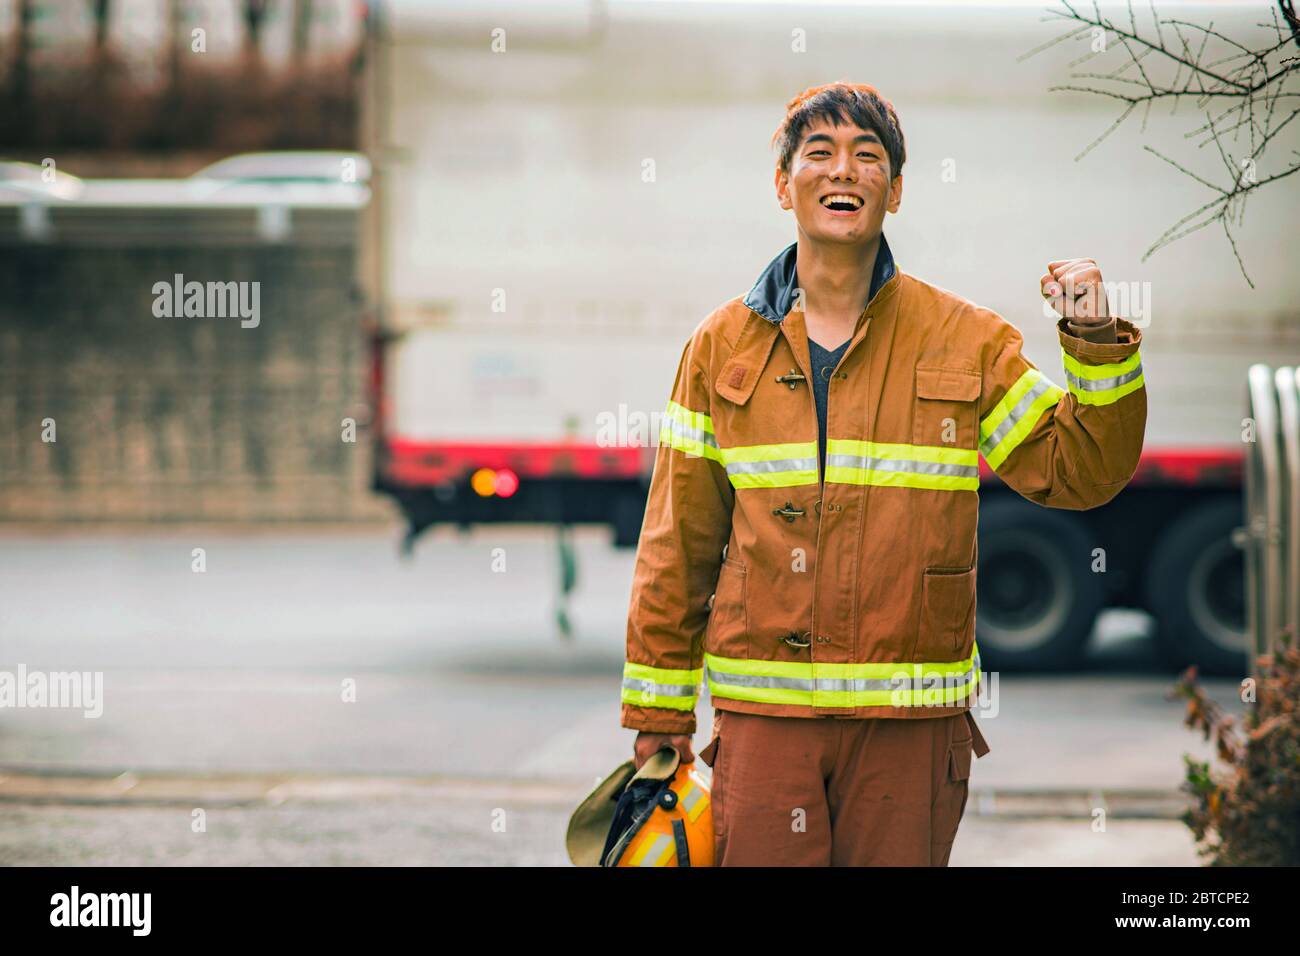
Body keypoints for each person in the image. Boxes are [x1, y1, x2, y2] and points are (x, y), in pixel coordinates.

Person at [620, 81, 1146, 866]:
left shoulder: (965, 340)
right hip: (767, 726)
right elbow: (678, 538)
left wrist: (1094, 336)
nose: (845, 171)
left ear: (894, 192)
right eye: (820, 154)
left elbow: (1079, 471)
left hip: (909, 731)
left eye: (869, 157)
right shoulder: (720, 347)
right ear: (783, 184)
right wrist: (658, 709)